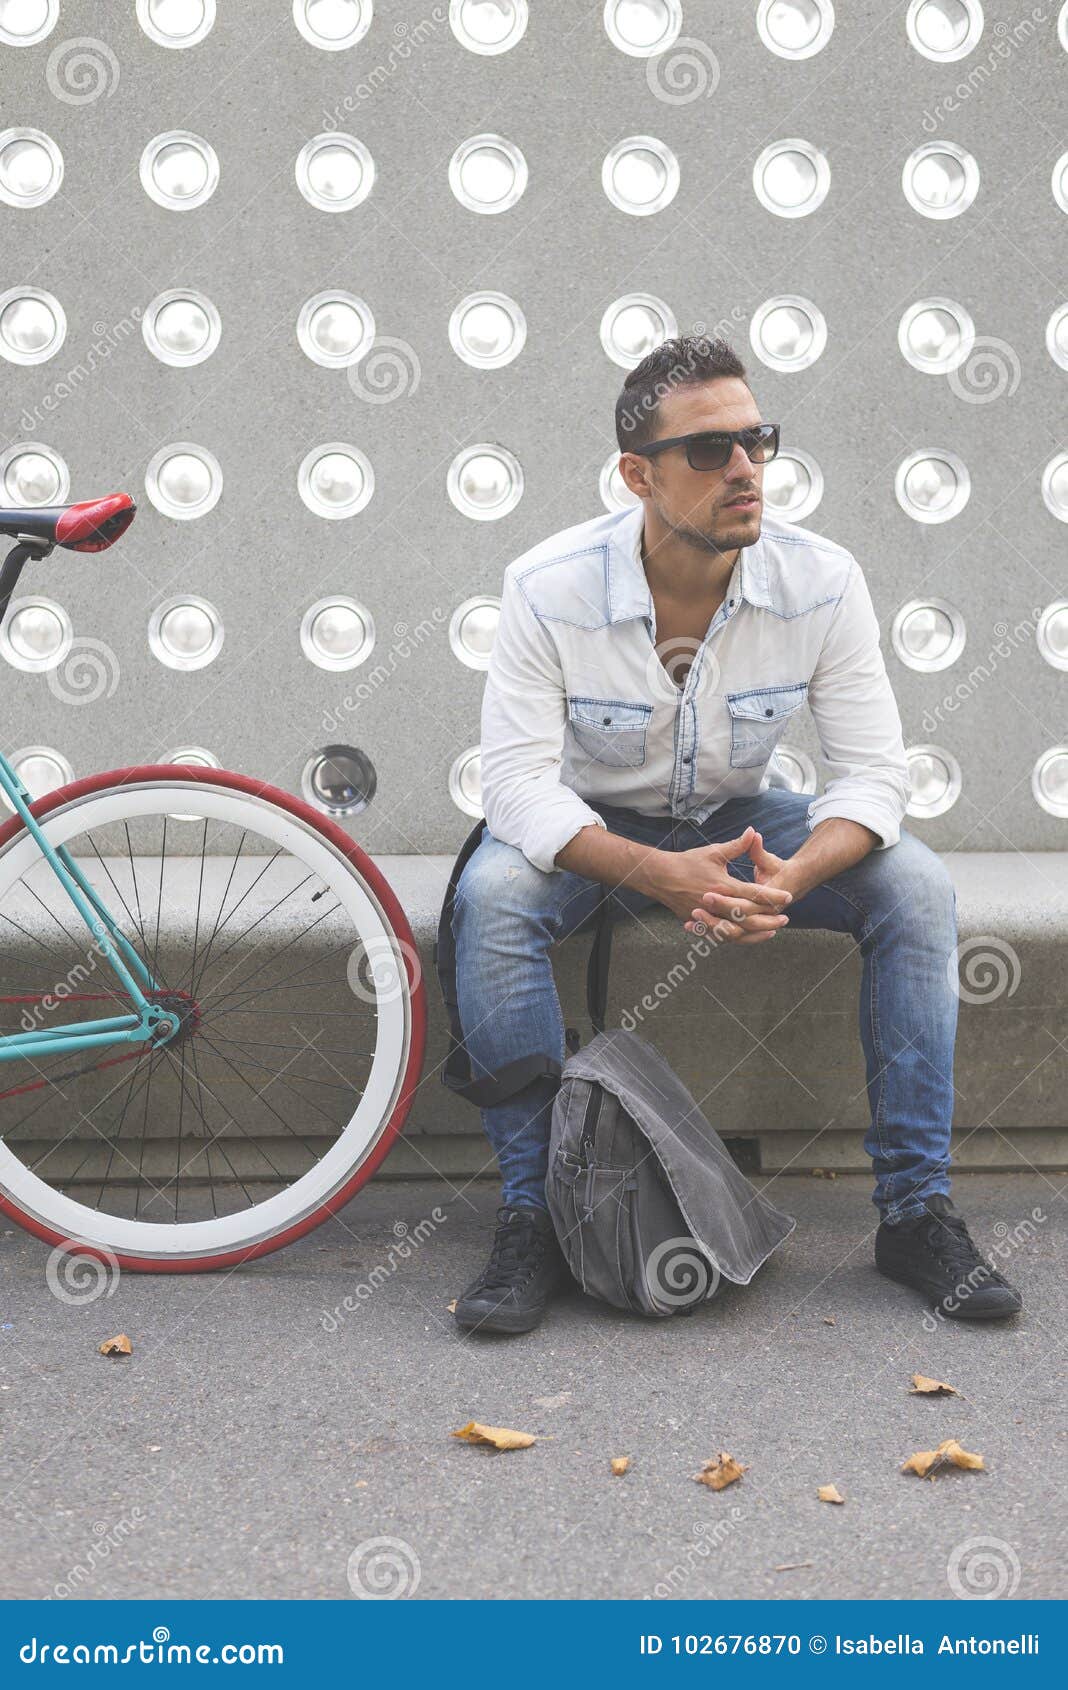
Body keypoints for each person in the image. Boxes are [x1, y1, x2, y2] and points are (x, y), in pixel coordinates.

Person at [448, 334, 1022, 1335]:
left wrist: (792, 877)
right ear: (640, 474)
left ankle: (915, 1212)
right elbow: (518, 789)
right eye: (711, 451)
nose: (747, 469)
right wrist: (659, 874)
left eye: (756, 440)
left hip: (742, 822)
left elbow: (876, 775)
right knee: (493, 898)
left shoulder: (823, 579)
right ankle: (535, 1215)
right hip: (598, 828)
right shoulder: (550, 585)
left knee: (918, 888)